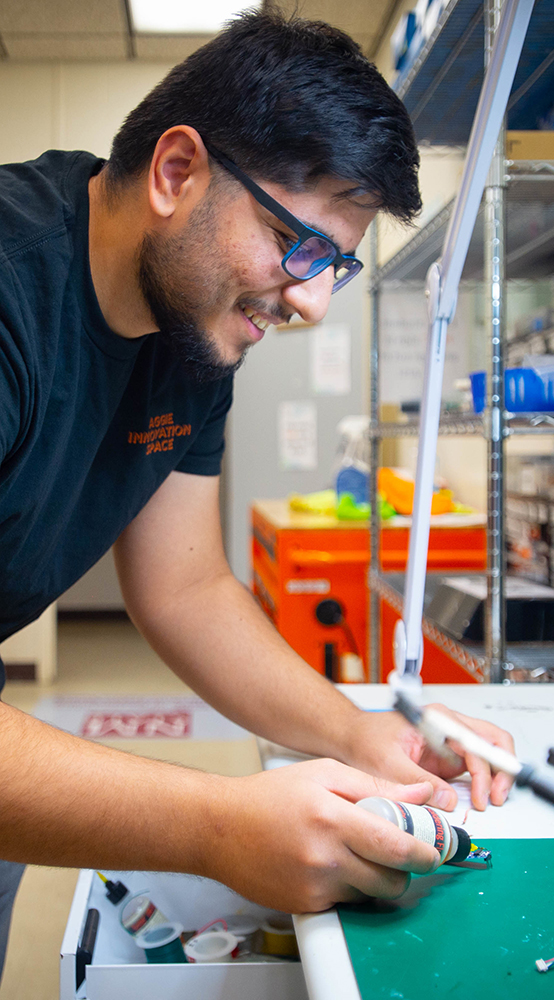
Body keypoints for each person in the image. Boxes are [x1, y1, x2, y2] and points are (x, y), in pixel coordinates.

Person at [0, 6, 515, 982]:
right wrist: (219, 824)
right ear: (177, 172)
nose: (312, 302)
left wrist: (361, 734)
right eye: (299, 246)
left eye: (336, 265)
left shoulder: (189, 337)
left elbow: (187, 588)